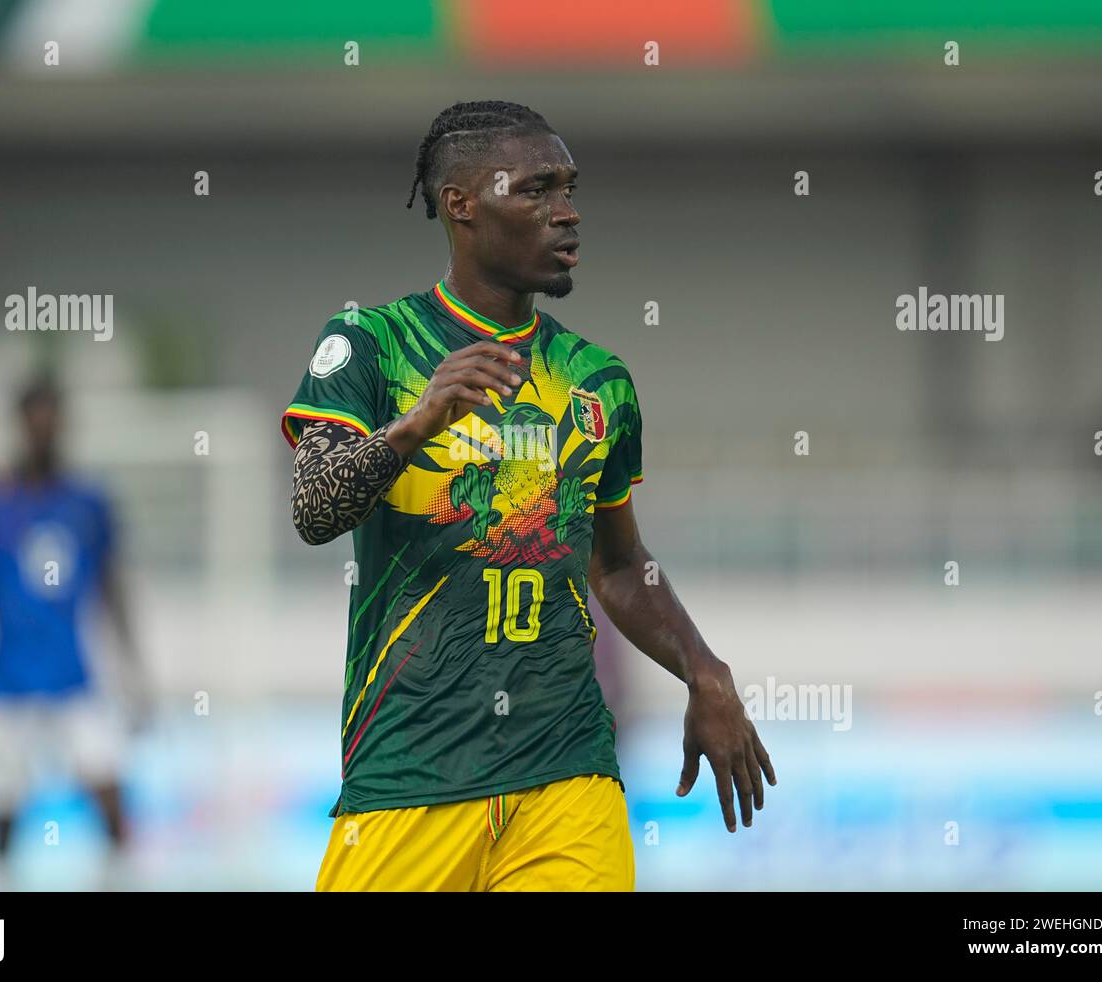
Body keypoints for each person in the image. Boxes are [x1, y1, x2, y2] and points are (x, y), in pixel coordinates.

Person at [283, 101, 774, 892]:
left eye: (570, 189)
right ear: (462, 204)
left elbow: (618, 566)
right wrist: (417, 423)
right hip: (411, 773)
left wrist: (704, 669)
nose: (567, 212)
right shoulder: (371, 344)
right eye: (538, 189)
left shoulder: (598, 380)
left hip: (568, 772)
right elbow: (314, 508)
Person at [0, 375, 149, 889]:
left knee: (110, 795)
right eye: (35, 419)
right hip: (6, 682)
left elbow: (112, 587)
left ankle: (118, 881)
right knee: (3, 812)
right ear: (18, 425)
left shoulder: (87, 503)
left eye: (52, 419)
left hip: (74, 678)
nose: (43, 430)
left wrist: (133, 667)